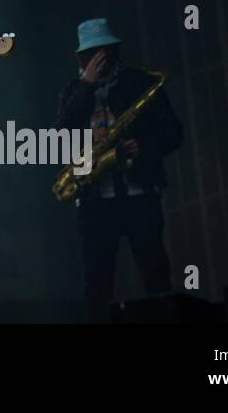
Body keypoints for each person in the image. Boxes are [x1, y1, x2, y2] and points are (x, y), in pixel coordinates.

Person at [55, 18, 183, 323]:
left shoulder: (140, 82)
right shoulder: (73, 91)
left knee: (155, 274)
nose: (101, 59)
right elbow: (60, 136)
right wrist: (87, 85)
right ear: (82, 58)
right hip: (94, 200)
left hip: (140, 194)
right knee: (97, 284)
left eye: (105, 52)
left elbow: (174, 133)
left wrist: (145, 146)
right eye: (92, 54)